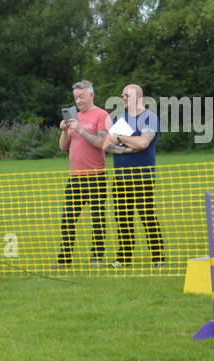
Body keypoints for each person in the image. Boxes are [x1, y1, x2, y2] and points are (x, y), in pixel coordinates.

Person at [55, 81, 111, 267]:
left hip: (96, 176)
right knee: (68, 218)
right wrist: (64, 130)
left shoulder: (101, 115)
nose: (78, 101)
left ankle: (96, 258)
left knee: (97, 218)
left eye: (82, 97)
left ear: (91, 95)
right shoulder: (74, 118)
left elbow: (101, 142)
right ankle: (64, 260)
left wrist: (80, 130)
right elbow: (63, 147)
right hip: (75, 177)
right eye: (76, 97)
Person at [108, 84, 164, 267]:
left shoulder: (149, 117)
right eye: (122, 95)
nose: (123, 98)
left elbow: (143, 143)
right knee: (122, 218)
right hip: (120, 177)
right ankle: (123, 258)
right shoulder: (119, 118)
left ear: (139, 97)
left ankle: (157, 257)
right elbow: (108, 145)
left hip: (142, 177)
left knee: (147, 216)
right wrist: (127, 145)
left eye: (127, 95)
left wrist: (122, 139)